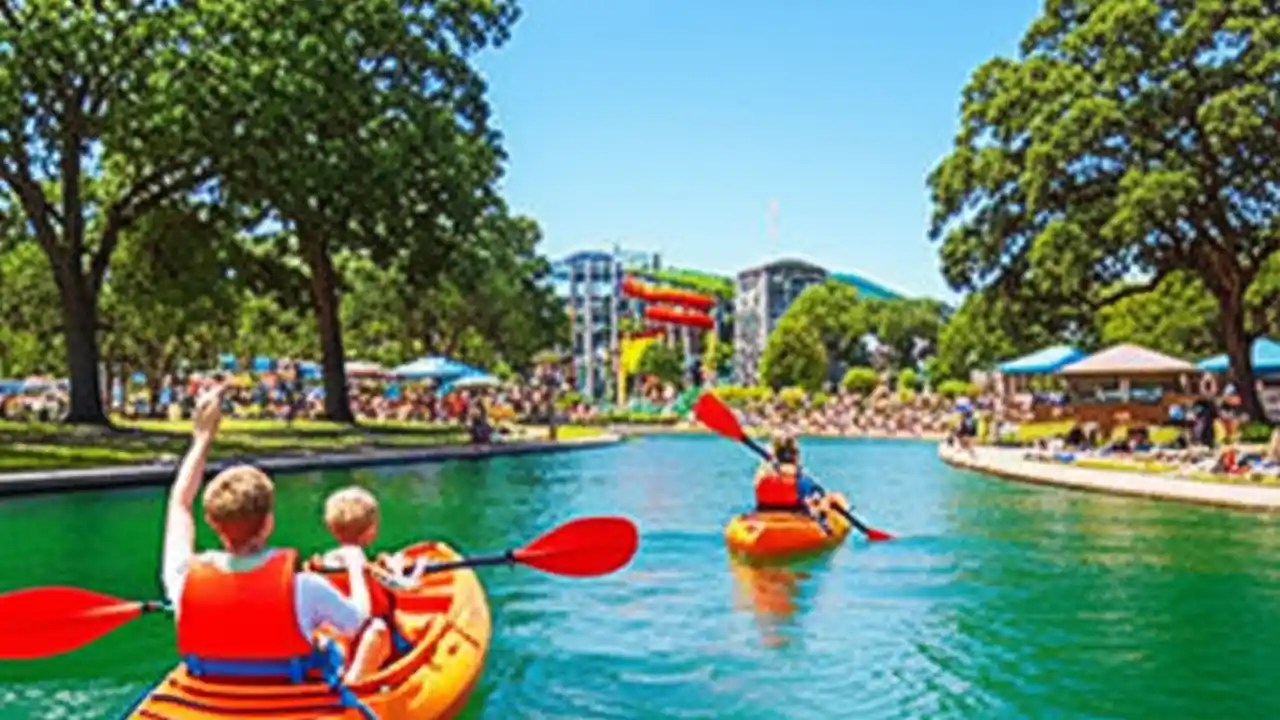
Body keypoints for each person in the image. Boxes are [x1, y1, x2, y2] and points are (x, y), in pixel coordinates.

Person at [161, 387, 389, 687]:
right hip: (285, 691)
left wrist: (202, 438)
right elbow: (358, 620)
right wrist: (356, 567)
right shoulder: (304, 587)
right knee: (378, 631)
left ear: (211, 521)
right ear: (268, 523)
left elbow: (179, 504)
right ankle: (352, 693)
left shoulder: (183, 578)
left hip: (215, 691)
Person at [753, 431, 817, 514]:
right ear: (796, 457)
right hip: (797, 516)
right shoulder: (803, 481)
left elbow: (757, 485)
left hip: (764, 514)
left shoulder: (763, 477)